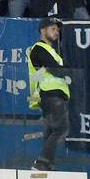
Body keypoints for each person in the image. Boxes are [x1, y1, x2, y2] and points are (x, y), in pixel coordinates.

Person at [28, 16, 72, 170]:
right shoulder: (39, 48)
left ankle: (47, 164)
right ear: (42, 29)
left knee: (52, 130)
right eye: (53, 29)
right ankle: (42, 162)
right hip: (50, 93)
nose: (56, 32)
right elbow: (55, 69)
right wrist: (65, 72)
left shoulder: (52, 51)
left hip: (53, 93)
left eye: (58, 30)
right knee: (60, 128)